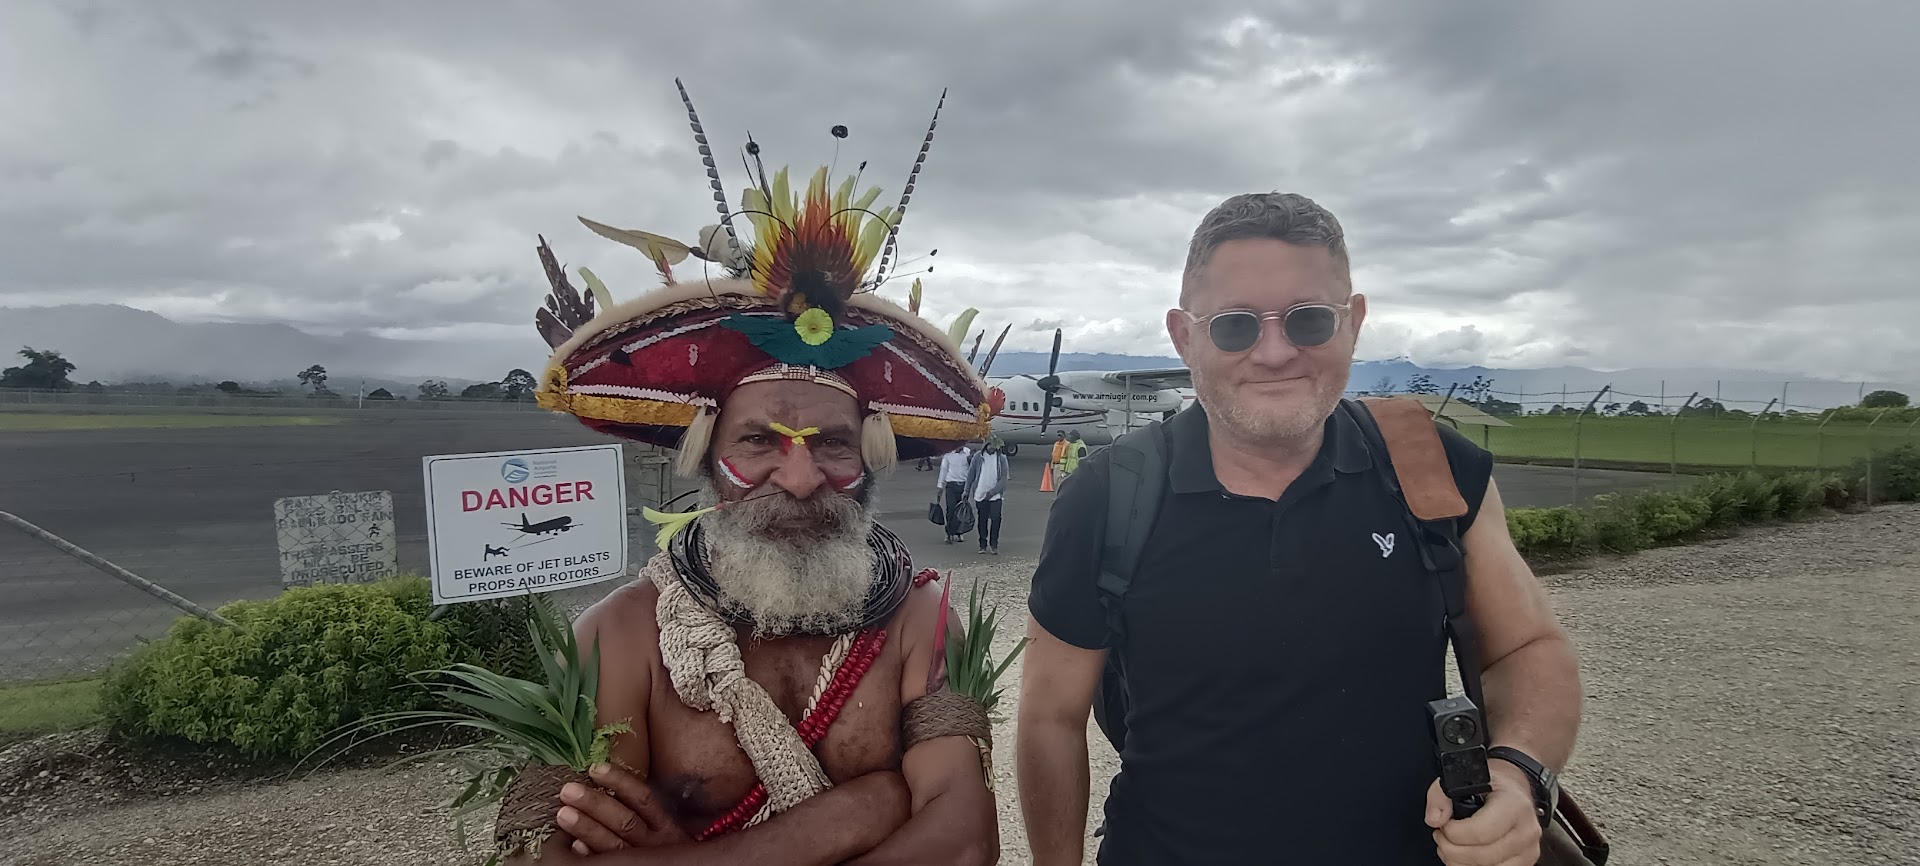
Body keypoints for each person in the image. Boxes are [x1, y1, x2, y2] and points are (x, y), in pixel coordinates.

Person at [507, 83, 1002, 866]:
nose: (800, 478)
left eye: (833, 445)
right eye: (760, 442)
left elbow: (964, 844)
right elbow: (542, 855)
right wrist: (853, 816)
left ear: (870, 454)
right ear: (706, 452)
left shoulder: (921, 623)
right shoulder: (620, 638)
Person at [1015, 192, 1583, 865]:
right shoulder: (1108, 497)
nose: (1276, 352)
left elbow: (1525, 648)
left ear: (1355, 321)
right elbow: (1051, 717)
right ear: (1183, 336)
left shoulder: (1431, 466)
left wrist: (1517, 776)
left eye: (1310, 320)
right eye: (1234, 326)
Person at [968, 437, 1010, 554]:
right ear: (986, 446)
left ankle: (994, 544)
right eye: (990, 446)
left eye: (994, 447)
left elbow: (1003, 478)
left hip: (995, 496)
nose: (992, 449)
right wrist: (966, 491)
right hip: (980, 493)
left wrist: (992, 492)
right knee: (982, 519)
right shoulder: (978, 457)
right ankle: (982, 544)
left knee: (996, 519)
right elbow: (971, 475)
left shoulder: (1001, 459)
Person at [938, 441, 975, 544]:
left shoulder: (968, 453)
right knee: (951, 509)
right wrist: (940, 486)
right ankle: (949, 533)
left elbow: (972, 469)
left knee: (961, 510)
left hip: (963, 485)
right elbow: (943, 470)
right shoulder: (948, 454)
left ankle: (959, 532)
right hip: (951, 485)